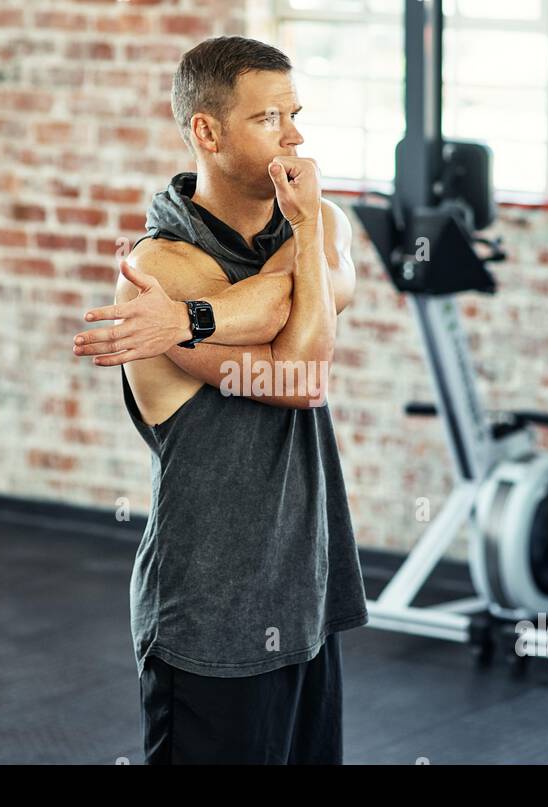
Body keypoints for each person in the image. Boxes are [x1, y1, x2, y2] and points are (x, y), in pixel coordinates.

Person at [71, 36, 368, 764]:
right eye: (270, 119)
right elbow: (298, 376)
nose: (296, 136)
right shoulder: (156, 268)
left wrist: (198, 317)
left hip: (302, 595)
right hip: (210, 612)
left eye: (296, 114)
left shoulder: (318, 224)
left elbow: (300, 299)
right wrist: (296, 270)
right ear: (206, 131)